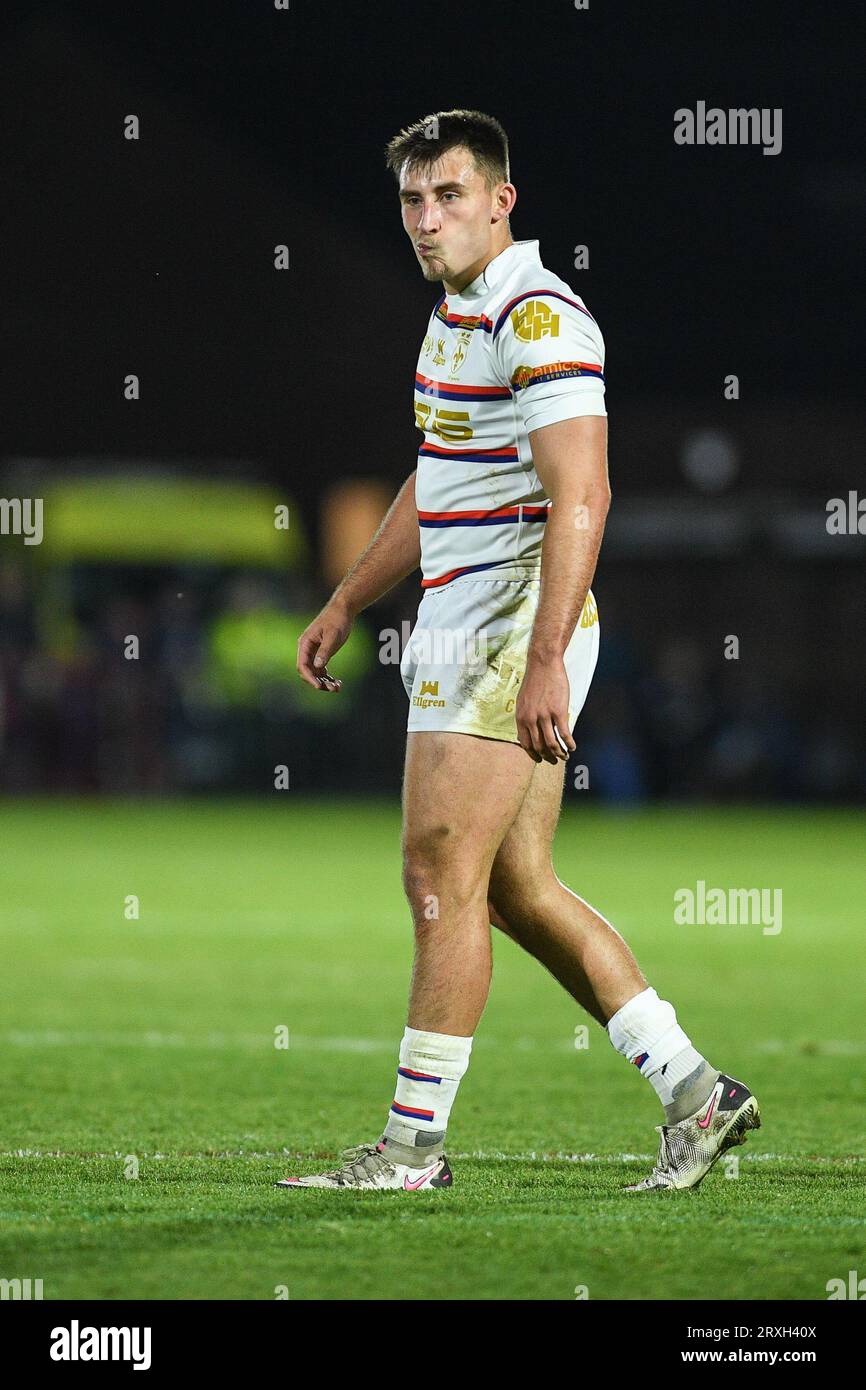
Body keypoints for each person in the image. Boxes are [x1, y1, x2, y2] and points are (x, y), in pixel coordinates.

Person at [278, 109, 759, 1193]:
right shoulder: (454, 315)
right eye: (410, 199)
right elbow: (434, 479)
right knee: (513, 887)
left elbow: (582, 491)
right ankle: (696, 1092)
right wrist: (349, 597)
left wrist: (542, 658)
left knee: (434, 876)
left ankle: (410, 1153)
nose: (425, 217)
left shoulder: (534, 314)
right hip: (472, 623)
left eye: (448, 195)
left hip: (505, 628)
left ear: (500, 201)